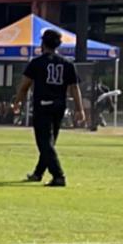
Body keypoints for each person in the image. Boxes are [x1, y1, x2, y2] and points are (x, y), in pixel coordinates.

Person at [8, 28, 87, 187]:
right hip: (59, 106)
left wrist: (17, 102)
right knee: (50, 142)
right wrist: (80, 109)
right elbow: (74, 88)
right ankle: (38, 173)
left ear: (43, 43)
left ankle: (58, 175)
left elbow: (24, 86)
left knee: (44, 142)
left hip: (43, 106)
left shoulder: (37, 63)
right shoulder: (67, 63)